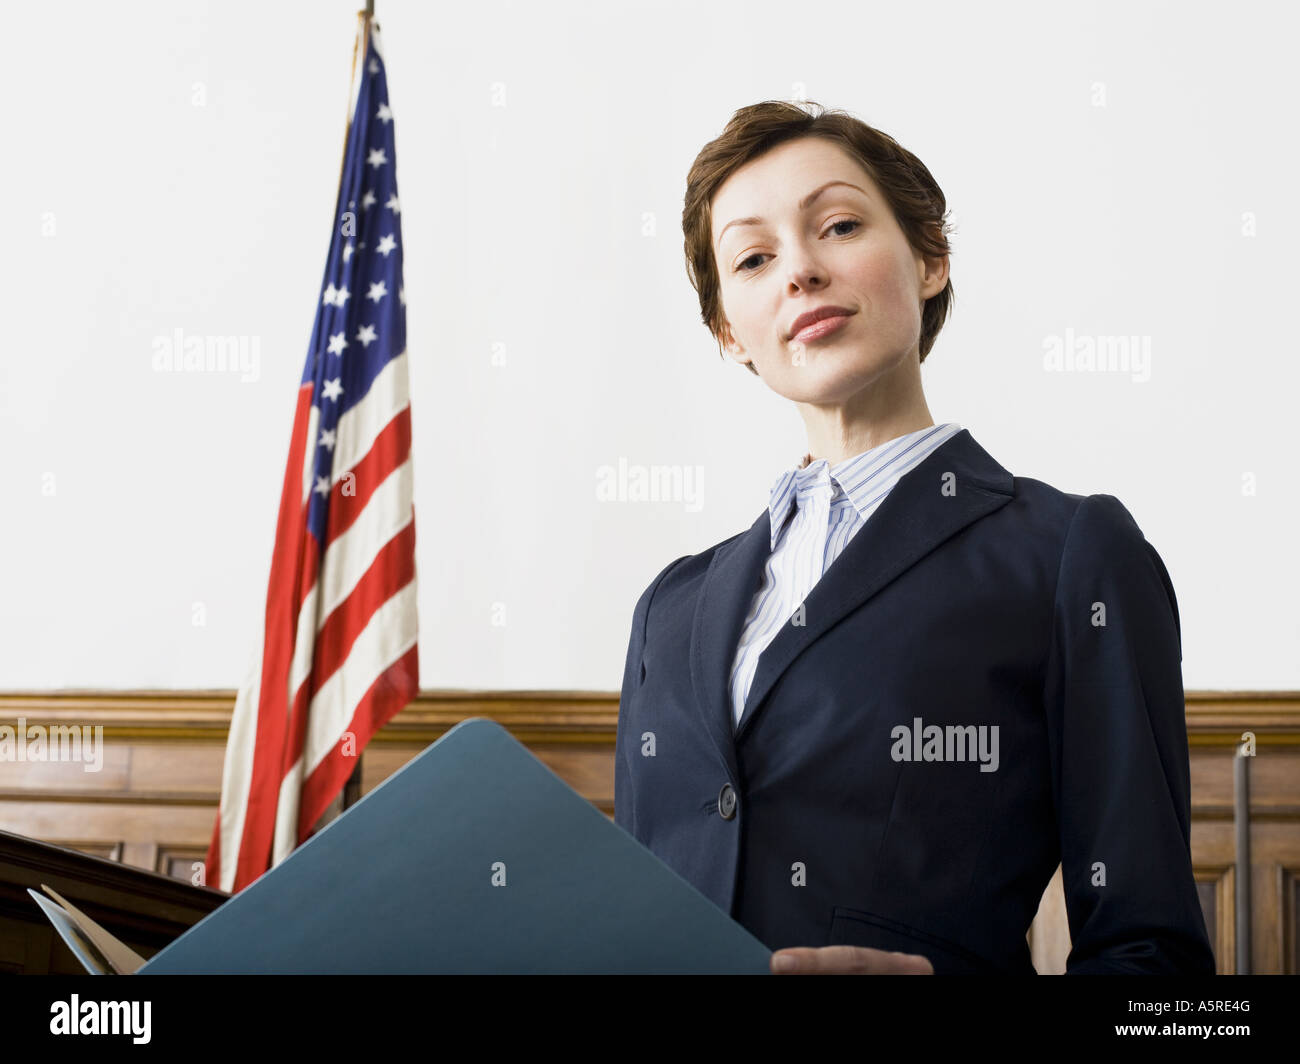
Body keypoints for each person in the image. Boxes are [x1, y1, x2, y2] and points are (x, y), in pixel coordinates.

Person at [614, 100, 1215, 975]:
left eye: (840, 225)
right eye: (753, 257)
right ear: (726, 334)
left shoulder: (1070, 554)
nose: (801, 272)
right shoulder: (669, 608)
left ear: (931, 258)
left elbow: (1167, 986)